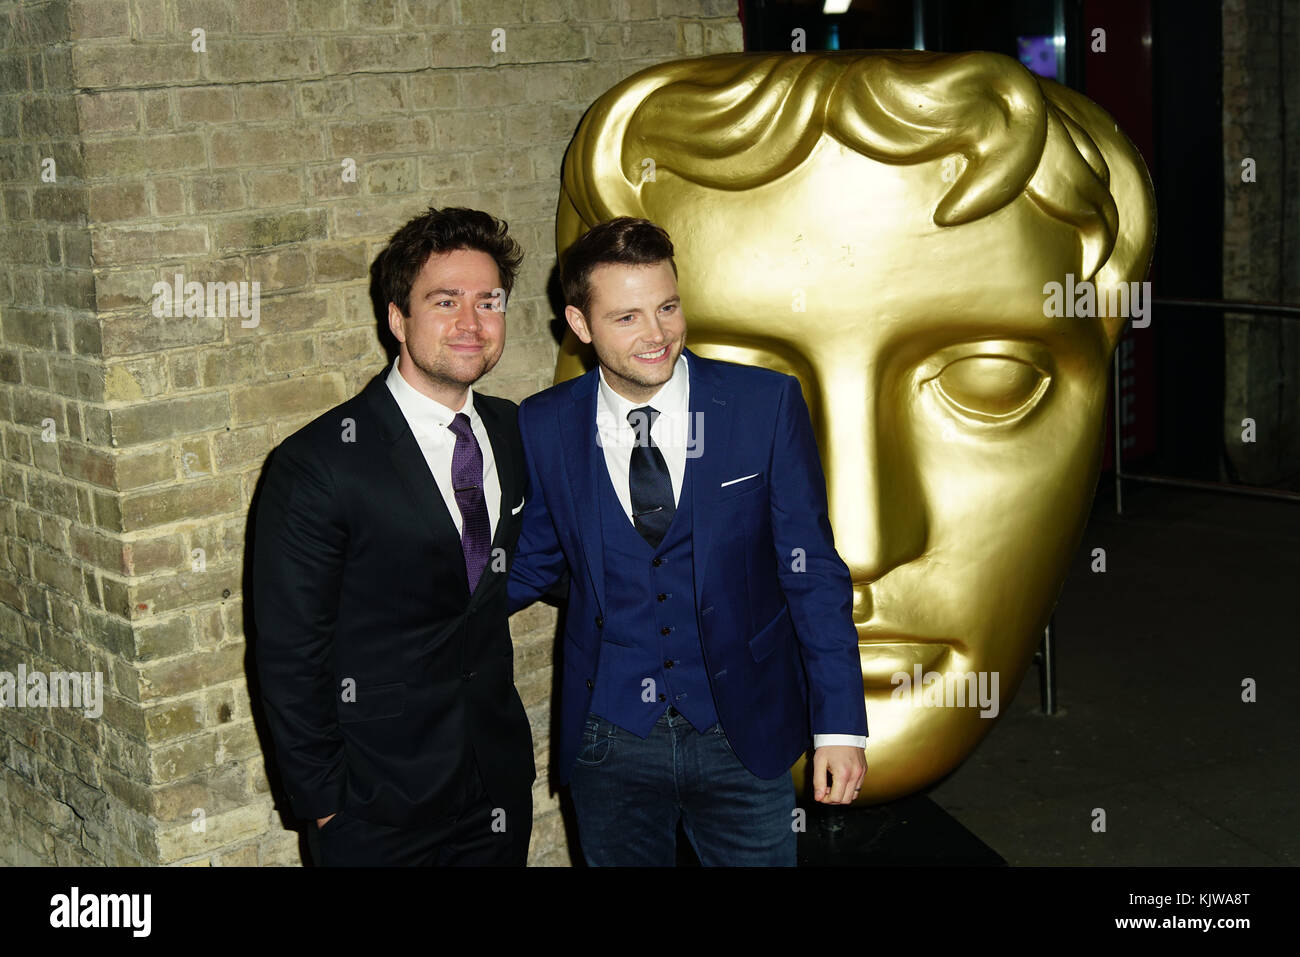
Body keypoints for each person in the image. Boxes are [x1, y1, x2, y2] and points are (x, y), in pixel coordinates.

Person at [508, 217, 867, 866]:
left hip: (741, 734)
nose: (657, 334)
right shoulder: (545, 422)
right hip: (609, 736)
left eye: (667, 307)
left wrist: (839, 725)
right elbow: (531, 559)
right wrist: (420, 603)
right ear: (580, 323)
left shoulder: (765, 404)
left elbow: (811, 571)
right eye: (626, 317)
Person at [254, 206, 535, 866]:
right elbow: (290, 652)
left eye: (487, 302)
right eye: (444, 301)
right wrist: (325, 804)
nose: (471, 324)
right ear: (397, 318)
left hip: (494, 788)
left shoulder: (514, 432)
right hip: (374, 809)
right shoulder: (320, 461)